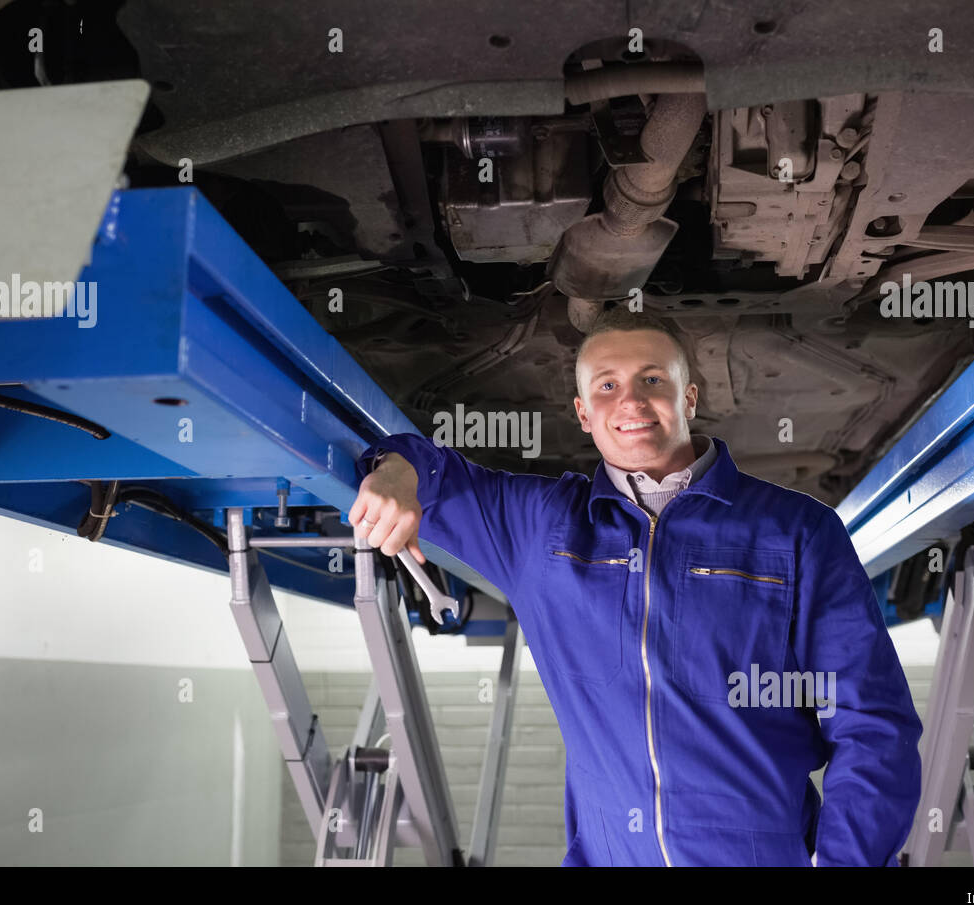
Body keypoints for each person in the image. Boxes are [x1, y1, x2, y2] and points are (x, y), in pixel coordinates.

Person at [348, 309, 923, 866]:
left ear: (689, 396)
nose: (629, 400)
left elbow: (870, 721)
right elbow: (435, 473)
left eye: (652, 379)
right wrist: (395, 470)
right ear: (581, 411)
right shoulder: (539, 529)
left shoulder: (795, 531)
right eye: (606, 385)